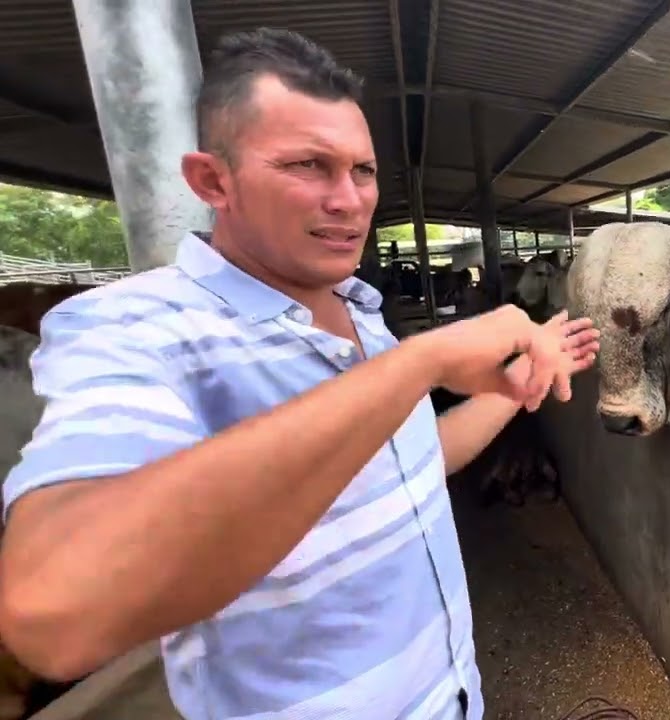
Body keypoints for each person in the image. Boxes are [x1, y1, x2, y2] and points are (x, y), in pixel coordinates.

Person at [0, 27, 599, 720]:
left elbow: (403, 465)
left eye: (363, 171)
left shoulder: (363, 313)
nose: (348, 200)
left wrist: (514, 386)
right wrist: (423, 360)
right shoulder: (135, 329)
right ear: (212, 180)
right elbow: (54, 613)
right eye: (306, 166)